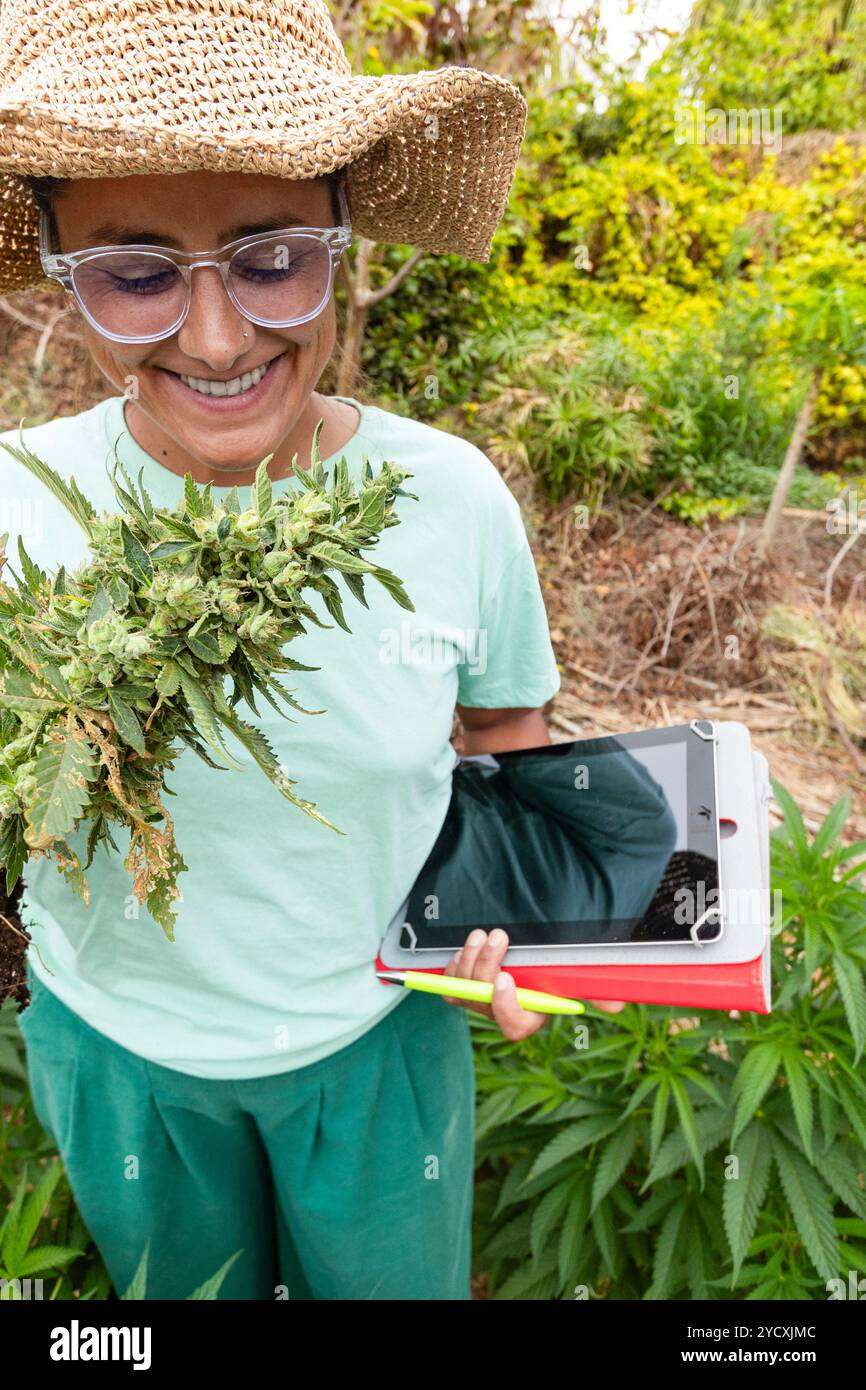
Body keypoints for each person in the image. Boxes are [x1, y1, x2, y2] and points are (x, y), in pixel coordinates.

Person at [0, 0, 621, 1301]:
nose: (218, 339)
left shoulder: (449, 496)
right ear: (61, 271)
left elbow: (505, 740)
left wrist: (528, 914)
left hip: (382, 1038)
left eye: (272, 256)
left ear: (343, 240)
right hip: (118, 1055)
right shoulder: (11, 508)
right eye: (135, 270)